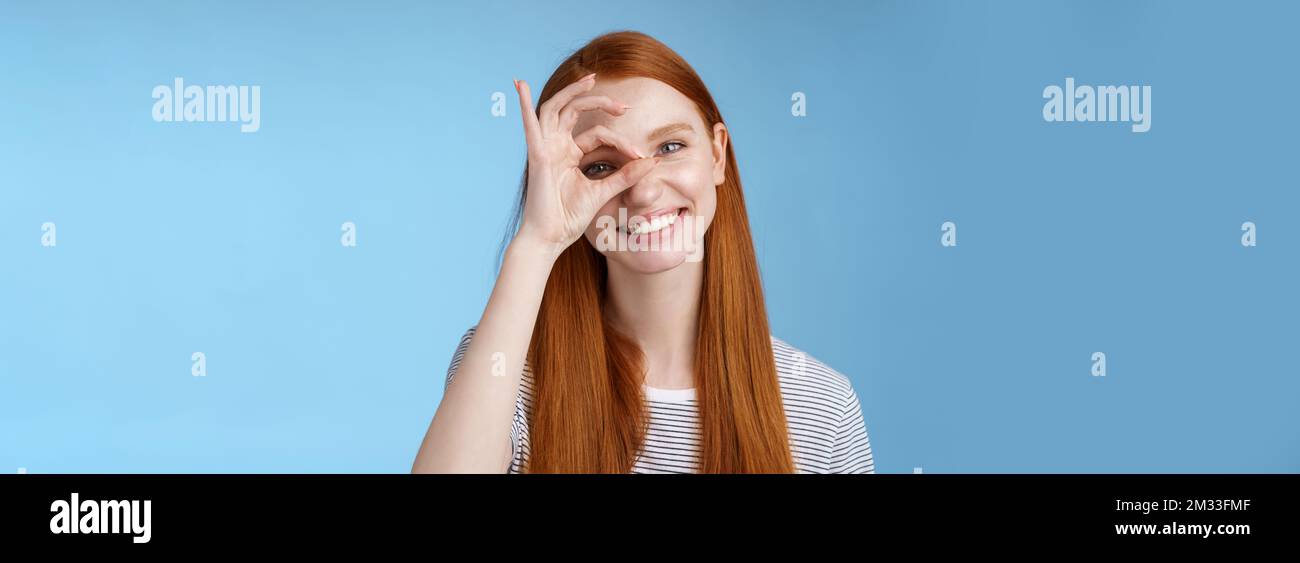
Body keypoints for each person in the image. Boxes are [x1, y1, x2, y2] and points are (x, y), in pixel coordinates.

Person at [412, 30, 873, 474]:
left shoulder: (821, 404)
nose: (645, 192)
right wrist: (538, 241)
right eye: (601, 166)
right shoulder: (505, 366)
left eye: (670, 146)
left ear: (717, 155)